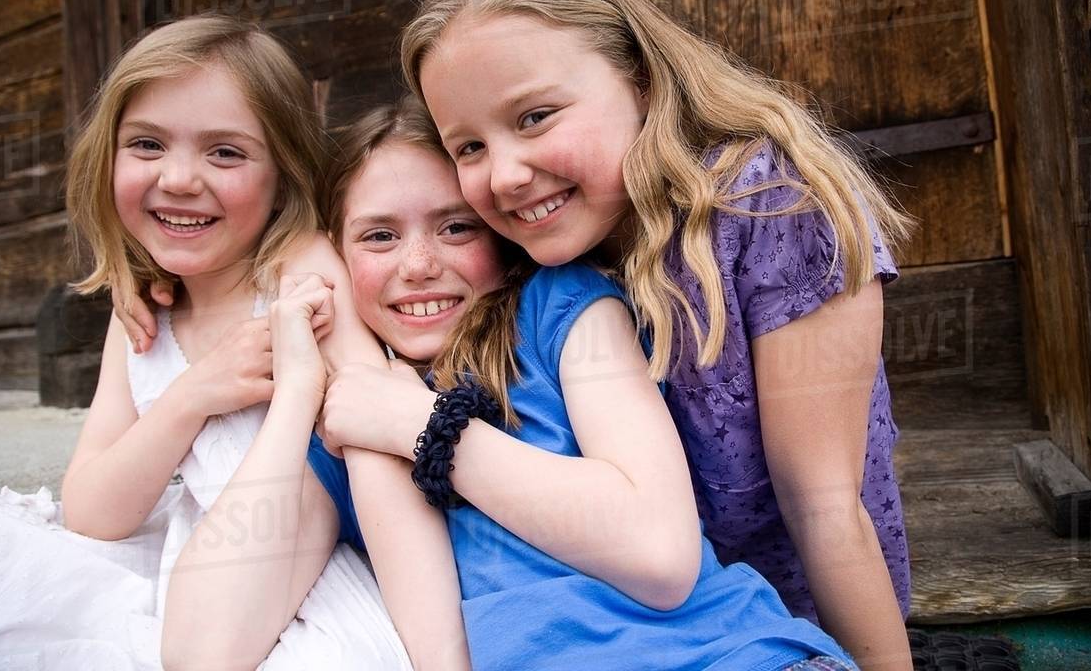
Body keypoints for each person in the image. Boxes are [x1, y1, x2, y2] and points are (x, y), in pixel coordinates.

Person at [392, 0, 915, 669]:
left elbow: (825, 510)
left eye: (534, 117)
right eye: (468, 147)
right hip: (631, 632)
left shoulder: (772, 208)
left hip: (771, 633)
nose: (505, 174)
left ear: (638, 77)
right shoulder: (533, 253)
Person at [0, 15, 444, 670]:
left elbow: (378, 451)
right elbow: (91, 512)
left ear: (284, 176)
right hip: (179, 563)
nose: (179, 179)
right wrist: (193, 395)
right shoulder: (141, 322)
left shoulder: (300, 276)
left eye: (225, 152)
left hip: (289, 575)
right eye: (147, 145)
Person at [306, 97, 858, 671]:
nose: (418, 264)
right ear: (337, 253)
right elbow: (223, 628)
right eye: (377, 237)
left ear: (497, 232)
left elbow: (660, 557)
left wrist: (421, 426)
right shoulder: (348, 418)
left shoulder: (560, 311)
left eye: (456, 227)